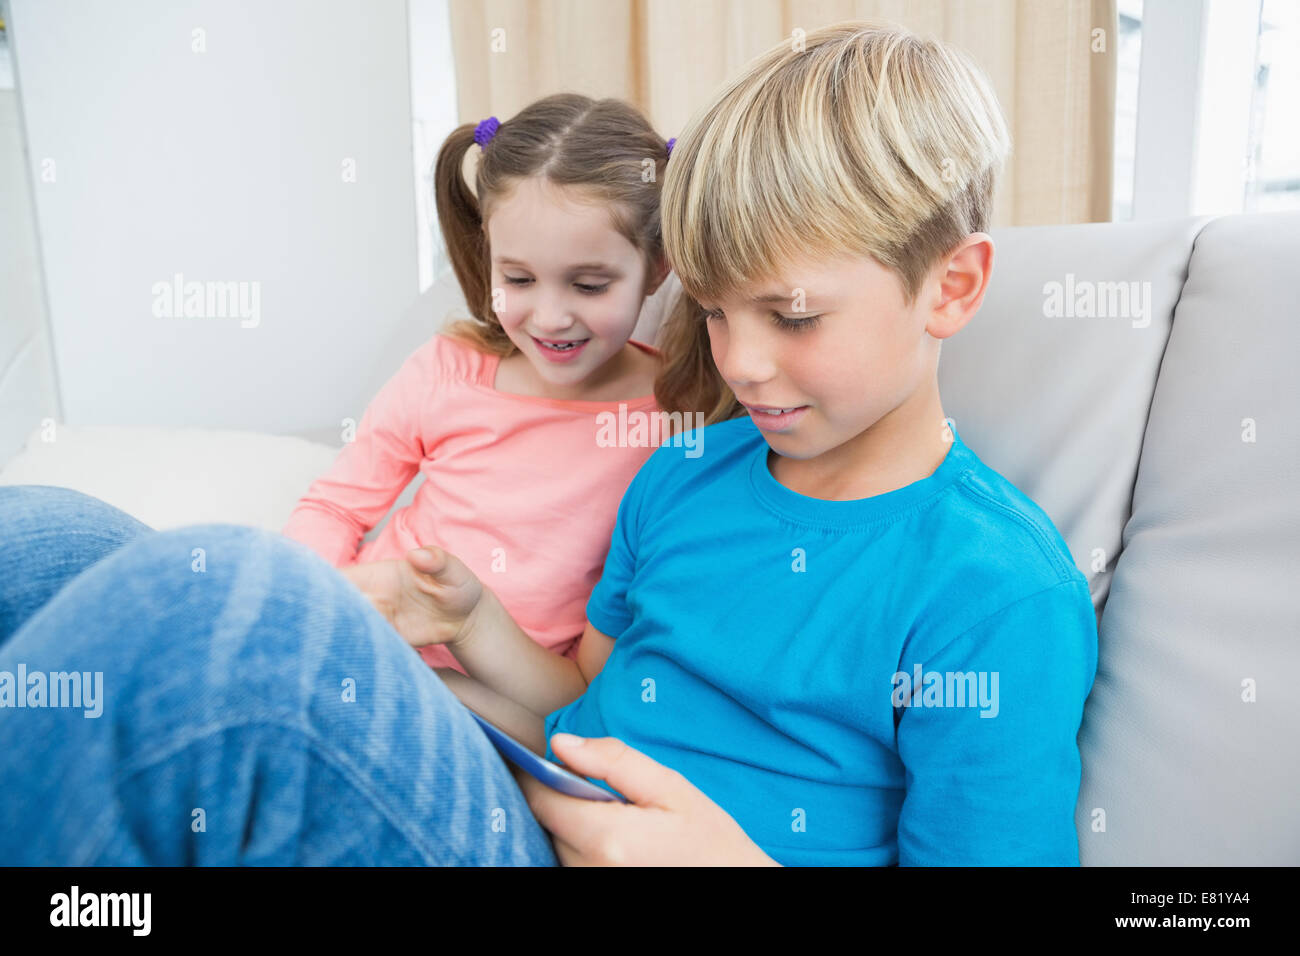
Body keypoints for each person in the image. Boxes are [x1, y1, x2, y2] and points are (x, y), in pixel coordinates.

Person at [0, 20, 1097, 866]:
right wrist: (469, 619)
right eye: (714, 312)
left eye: (792, 316)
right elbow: (575, 702)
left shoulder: (993, 590)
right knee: (47, 536)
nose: (741, 362)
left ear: (949, 285)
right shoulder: (681, 473)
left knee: (232, 606)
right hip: (505, 785)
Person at [282, 92, 679, 676]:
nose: (549, 317)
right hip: (373, 647)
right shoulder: (446, 370)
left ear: (657, 269)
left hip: (507, 696)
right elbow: (337, 508)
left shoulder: (679, 414)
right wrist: (307, 613)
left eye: (589, 285)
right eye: (517, 278)